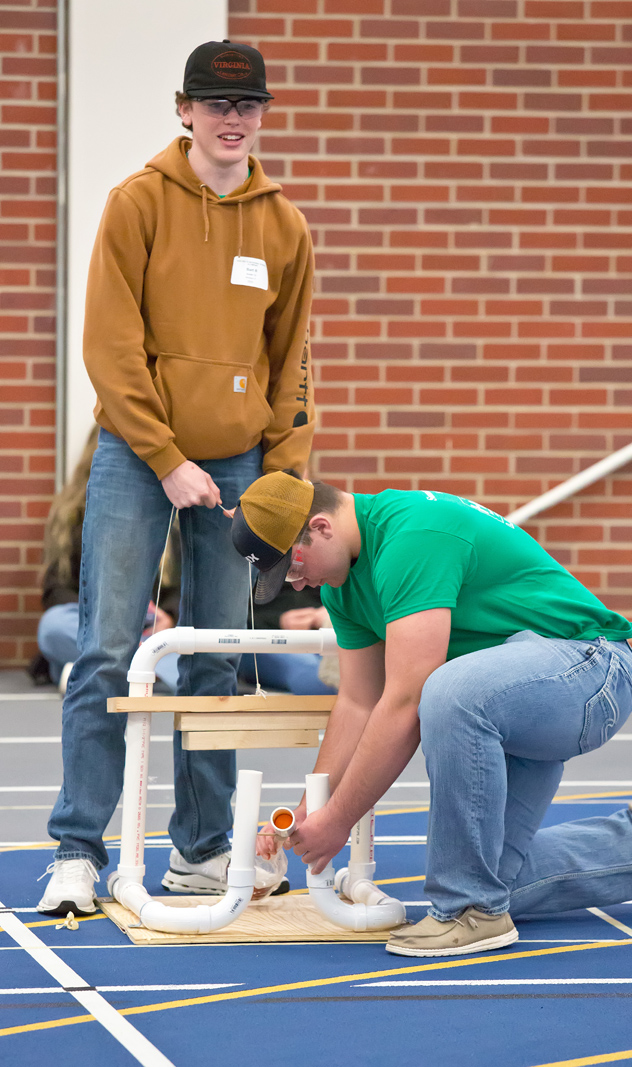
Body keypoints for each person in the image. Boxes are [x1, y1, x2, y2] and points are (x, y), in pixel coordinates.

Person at [37, 41, 315, 915]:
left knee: (217, 661)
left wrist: (281, 478)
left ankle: (200, 852)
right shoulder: (136, 203)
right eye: (215, 104)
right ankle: (78, 852)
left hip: (235, 463)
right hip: (134, 455)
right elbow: (110, 351)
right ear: (184, 110)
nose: (233, 120)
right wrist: (165, 458)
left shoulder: (284, 225)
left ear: (262, 115)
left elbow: (291, 366)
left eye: (248, 106)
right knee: (108, 652)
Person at [231, 471, 632, 957]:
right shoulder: (343, 586)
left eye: (291, 566)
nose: (296, 583)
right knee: (495, 877)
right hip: (511, 700)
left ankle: (469, 912)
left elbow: (407, 701)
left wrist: (339, 820)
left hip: (590, 670)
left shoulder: (413, 536)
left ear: (322, 527)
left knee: (446, 694)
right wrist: (311, 811)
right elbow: (358, 703)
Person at [35, 427, 181, 694]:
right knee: (52, 626)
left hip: (147, 628)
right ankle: (136, 665)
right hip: (91, 622)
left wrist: (167, 616)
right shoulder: (70, 514)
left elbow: (178, 588)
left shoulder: (167, 512)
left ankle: (103, 668)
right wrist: (98, 614)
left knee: (189, 643)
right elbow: (54, 590)